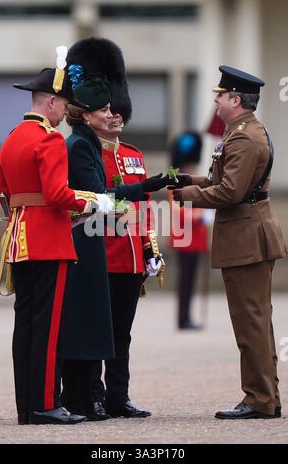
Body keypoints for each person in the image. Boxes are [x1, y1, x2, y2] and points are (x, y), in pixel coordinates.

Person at [0, 60, 113, 425]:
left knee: (26, 326)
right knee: (48, 328)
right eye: (64, 104)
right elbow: (58, 194)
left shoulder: (13, 137)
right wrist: (93, 202)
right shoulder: (48, 139)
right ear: (50, 103)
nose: (66, 111)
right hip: (48, 241)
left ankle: (26, 406)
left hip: (20, 240)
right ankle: (45, 403)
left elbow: (3, 195)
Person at [171, 65, 287, 419]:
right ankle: (266, 396)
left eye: (220, 96)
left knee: (250, 322)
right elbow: (216, 177)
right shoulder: (241, 132)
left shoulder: (244, 137)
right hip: (247, 235)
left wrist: (184, 196)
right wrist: (179, 179)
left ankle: (259, 399)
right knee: (256, 321)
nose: (217, 101)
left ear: (236, 100)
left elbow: (230, 191)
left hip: (247, 237)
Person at [66, 37, 165, 419]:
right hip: (99, 254)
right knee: (98, 333)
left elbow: (143, 209)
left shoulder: (134, 155)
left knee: (121, 335)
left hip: (129, 259)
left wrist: (150, 250)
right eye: (107, 110)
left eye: (116, 109)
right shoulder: (86, 151)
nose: (115, 116)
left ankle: (118, 397)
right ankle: (92, 394)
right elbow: (100, 198)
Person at [169, 131, 211, 330]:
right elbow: (177, 210)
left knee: (190, 280)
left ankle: (186, 317)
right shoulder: (174, 182)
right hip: (184, 236)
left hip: (196, 237)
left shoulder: (193, 181)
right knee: (185, 281)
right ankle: (183, 318)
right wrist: (199, 217)